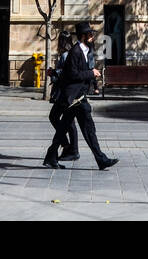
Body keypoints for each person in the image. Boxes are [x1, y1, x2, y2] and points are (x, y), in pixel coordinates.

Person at [43, 22, 118, 171]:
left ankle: (52, 157)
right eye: (89, 34)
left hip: (77, 97)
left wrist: (93, 81)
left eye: (92, 34)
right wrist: (91, 73)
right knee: (86, 129)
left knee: (78, 129)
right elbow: (72, 75)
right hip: (73, 98)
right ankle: (100, 159)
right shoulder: (75, 52)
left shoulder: (86, 50)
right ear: (83, 36)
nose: (92, 37)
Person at [46, 31, 80, 162]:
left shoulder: (66, 55)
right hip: (68, 92)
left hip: (65, 93)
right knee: (69, 121)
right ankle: (71, 148)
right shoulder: (69, 53)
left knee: (56, 117)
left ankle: (68, 147)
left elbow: (65, 74)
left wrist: (53, 73)